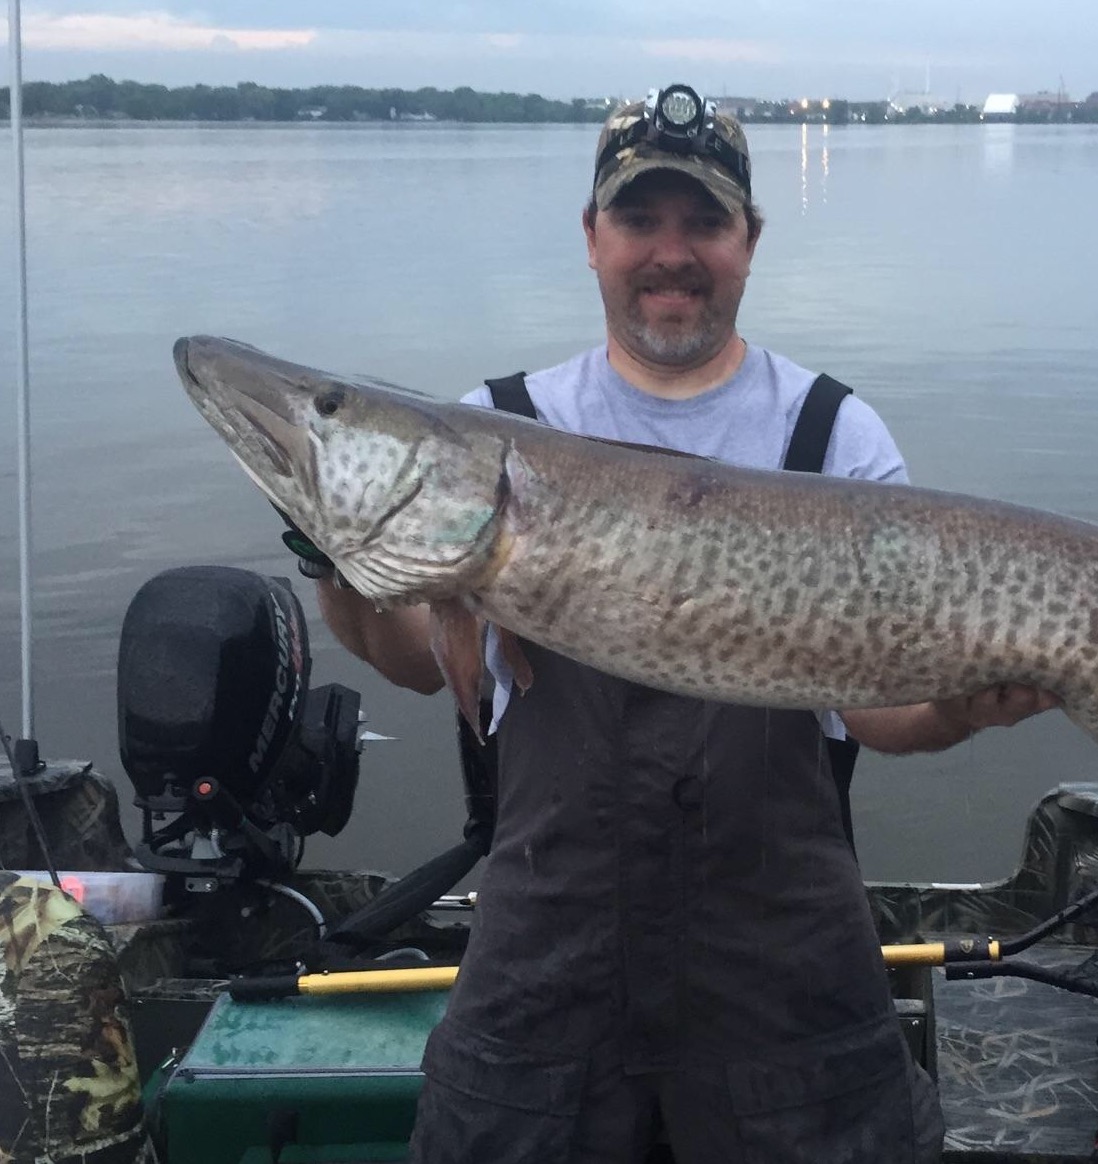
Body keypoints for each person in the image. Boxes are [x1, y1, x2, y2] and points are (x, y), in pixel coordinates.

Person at [312, 85, 1058, 1164]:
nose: (673, 252)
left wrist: (955, 707)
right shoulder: (496, 425)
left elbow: (878, 709)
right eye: (640, 220)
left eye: (703, 222)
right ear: (591, 238)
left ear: (749, 241)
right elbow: (419, 664)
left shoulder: (831, 432)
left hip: (785, 964)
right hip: (546, 958)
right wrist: (337, 567)